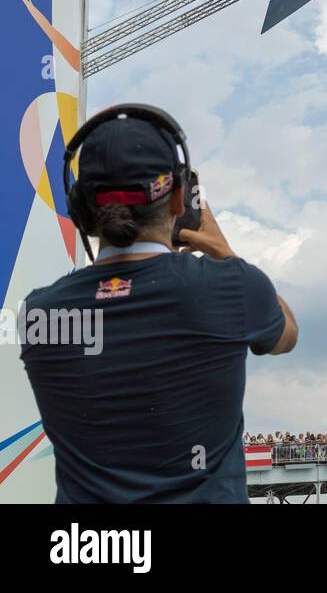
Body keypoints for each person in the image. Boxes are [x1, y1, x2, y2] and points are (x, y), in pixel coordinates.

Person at [20, 105, 298, 503]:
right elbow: (287, 333)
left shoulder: (38, 314)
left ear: (79, 208)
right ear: (180, 199)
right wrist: (223, 252)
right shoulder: (232, 286)